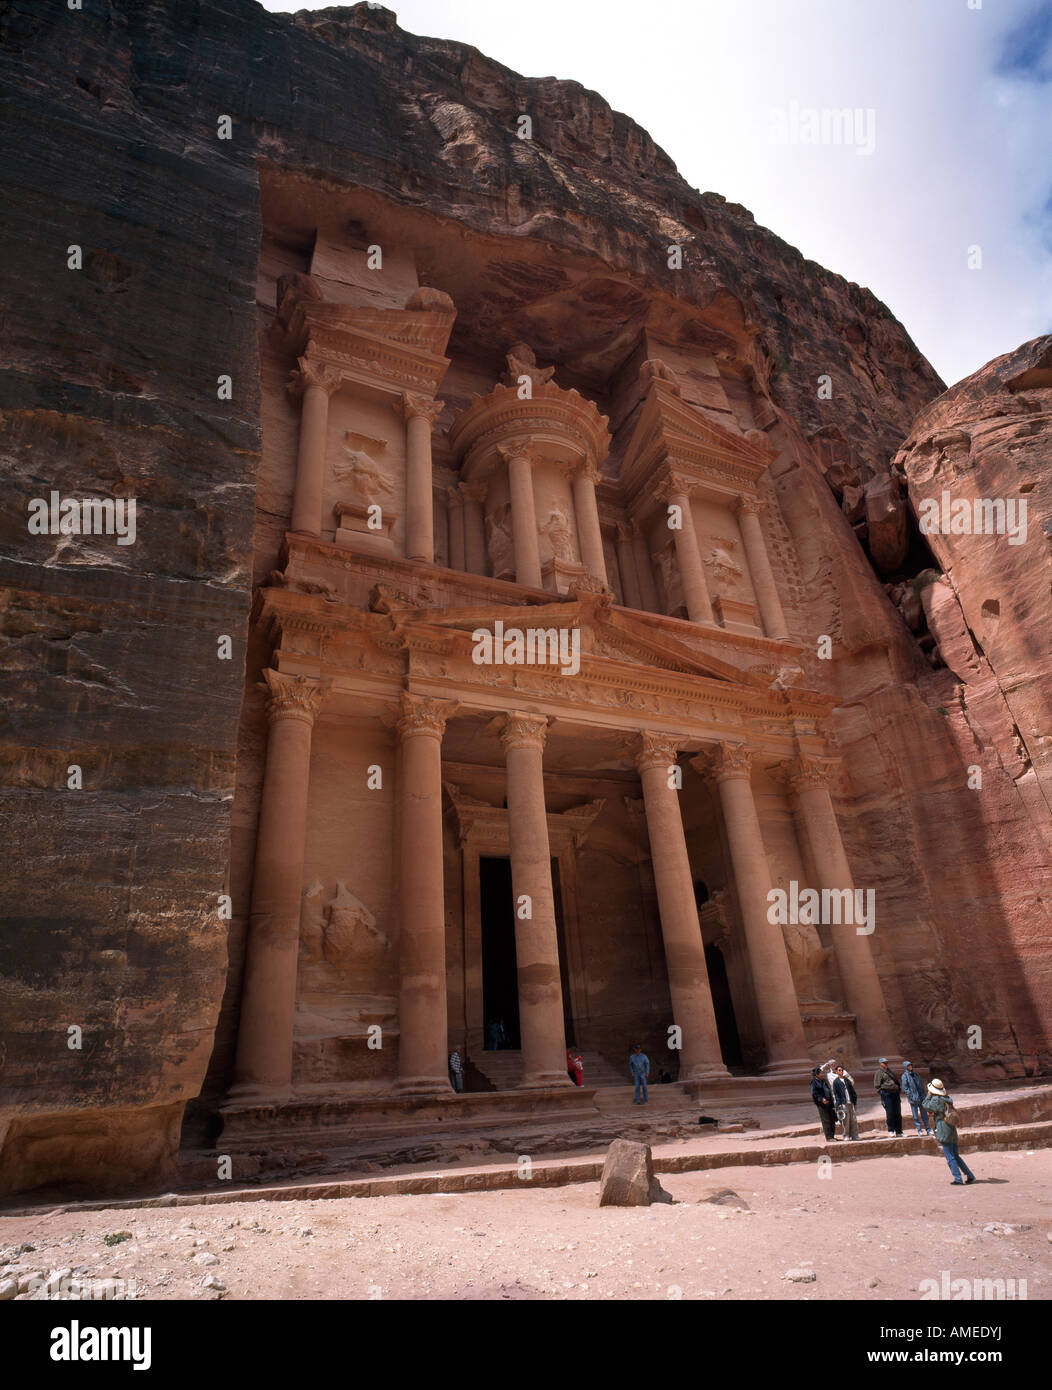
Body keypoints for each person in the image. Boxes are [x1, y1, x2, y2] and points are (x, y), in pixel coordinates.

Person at [922, 1078, 976, 1185]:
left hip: (943, 1128)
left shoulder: (936, 1100)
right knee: (956, 1155)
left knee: (949, 1156)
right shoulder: (947, 1098)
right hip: (951, 1128)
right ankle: (970, 1175)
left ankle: (957, 1179)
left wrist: (929, 1094)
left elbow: (925, 1104)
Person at [873, 1056, 903, 1137]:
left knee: (898, 1112)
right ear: (880, 1064)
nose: (886, 1064)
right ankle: (891, 1130)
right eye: (884, 1063)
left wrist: (898, 1089)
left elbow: (896, 1081)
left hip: (895, 1093)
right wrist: (882, 1093)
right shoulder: (879, 1072)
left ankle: (899, 1131)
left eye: (886, 1063)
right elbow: (877, 1085)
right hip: (887, 1094)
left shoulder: (890, 1071)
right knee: (890, 1112)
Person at [901, 1061, 931, 1135]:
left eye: (911, 1065)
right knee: (915, 1116)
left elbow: (921, 1085)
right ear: (905, 1067)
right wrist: (910, 1095)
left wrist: (924, 1095)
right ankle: (919, 1130)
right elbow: (905, 1087)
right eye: (908, 1066)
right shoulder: (905, 1076)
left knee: (924, 1114)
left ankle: (928, 1129)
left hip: (921, 1097)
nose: (910, 1067)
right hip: (913, 1099)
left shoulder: (916, 1074)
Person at [832, 1064, 859, 1140]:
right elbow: (836, 1094)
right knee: (845, 1121)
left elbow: (853, 1092)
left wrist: (855, 1103)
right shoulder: (836, 1082)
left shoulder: (847, 1080)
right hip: (843, 1103)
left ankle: (855, 1135)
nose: (841, 1072)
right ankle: (846, 1135)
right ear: (836, 1072)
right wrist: (839, 1104)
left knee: (853, 1120)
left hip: (850, 1103)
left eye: (842, 1070)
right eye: (839, 1070)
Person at [810, 1066, 836, 1141]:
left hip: (829, 1103)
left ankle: (832, 1136)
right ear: (817, 1074)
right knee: (826, 1120)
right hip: (822, 1104)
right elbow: (814, 1093)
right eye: (821, 1073)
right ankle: (829, 1137)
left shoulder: (823, 1081)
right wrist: (821, 1099)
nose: (822, 1074)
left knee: (832, 1119)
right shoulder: (814, 1082)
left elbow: (828, 1090)